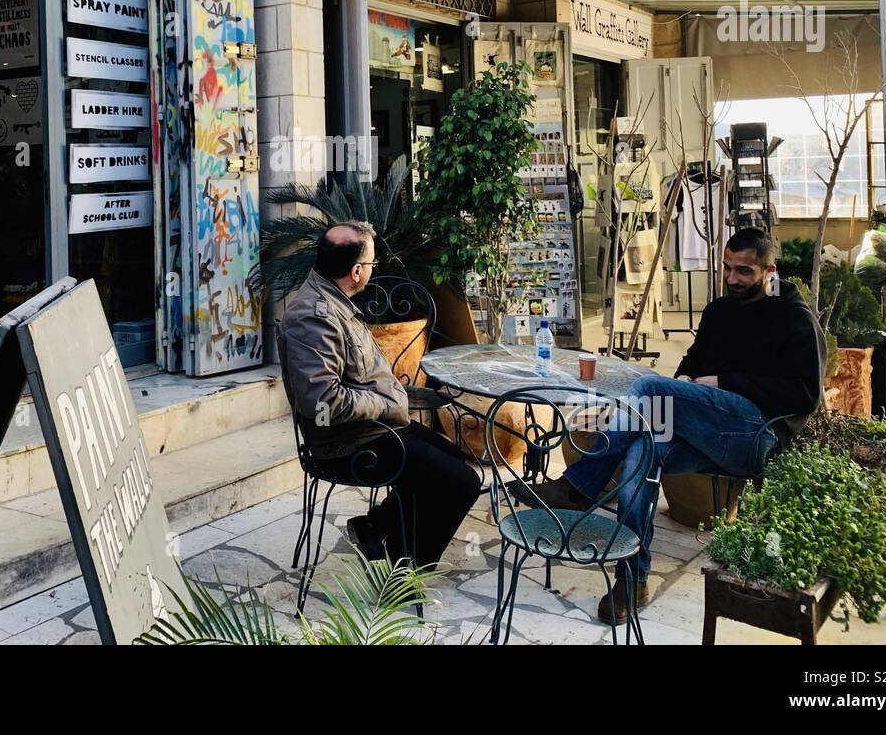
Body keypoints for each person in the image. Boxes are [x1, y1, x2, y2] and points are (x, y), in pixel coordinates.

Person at [527, 227, 824, 625]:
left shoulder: (795, 319)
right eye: (727, 269)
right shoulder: (719, 312)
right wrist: (685, 384)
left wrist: (725, 383)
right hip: (705, 429)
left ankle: (580, 485)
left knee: (648, 388)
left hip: (756, 437)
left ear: (769, 271)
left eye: (744, 272)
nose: (733, 279)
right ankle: (632, 579)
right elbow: (694, 362)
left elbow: (804, 396)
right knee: (640, 452)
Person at [277, 221, 480, 569]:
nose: (374, 269)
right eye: (372, 263)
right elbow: (322, 402)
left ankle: (375, 527)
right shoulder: (313, 317)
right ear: (356, 272)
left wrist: (401, 399)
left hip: (371, 429)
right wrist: (387, 405)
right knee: (462, 482)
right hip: (346, 443)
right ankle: (404, 571)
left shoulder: (334, 298)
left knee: (453, 460)